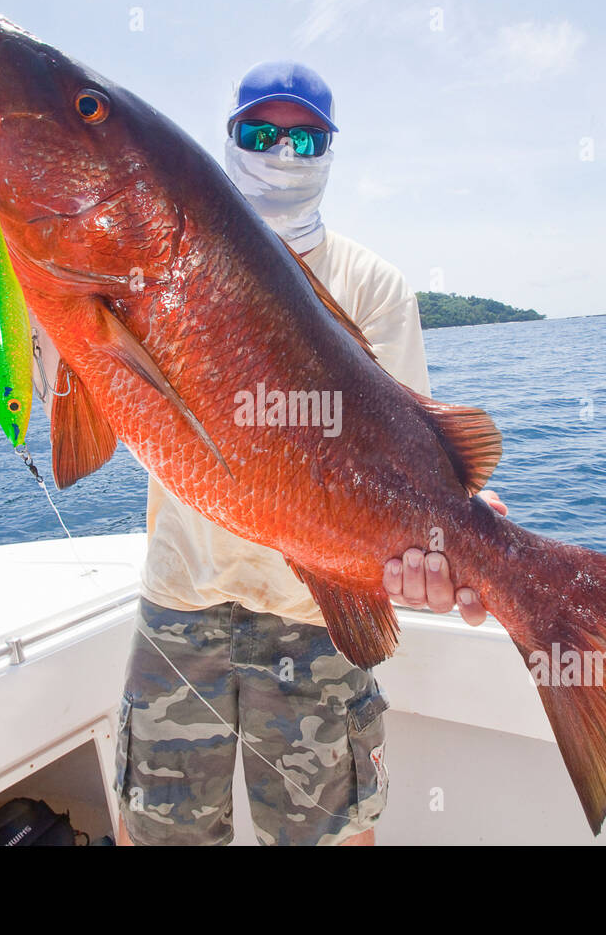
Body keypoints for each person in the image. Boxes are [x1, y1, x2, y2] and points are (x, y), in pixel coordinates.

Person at [114, 60, 508, 846]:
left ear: (331, 151)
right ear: (227, 142)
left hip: (315, 615)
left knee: (328, 838)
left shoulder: (374, 283)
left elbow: (413, 456)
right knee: (155, 833)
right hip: (181, 601)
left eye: (306, 137)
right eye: (262, 133)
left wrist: (450, 537)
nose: (283, 153)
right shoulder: (156, 264)